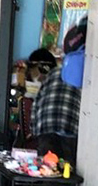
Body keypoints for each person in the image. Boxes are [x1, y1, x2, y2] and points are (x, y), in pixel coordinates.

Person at [30, 21, 86, 165]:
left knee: (48, 168)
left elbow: (37, 103)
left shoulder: (54, 73)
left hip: (46, 126)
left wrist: (35, 131)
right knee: (68, 169)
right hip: (70, 127)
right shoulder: (87, 76)